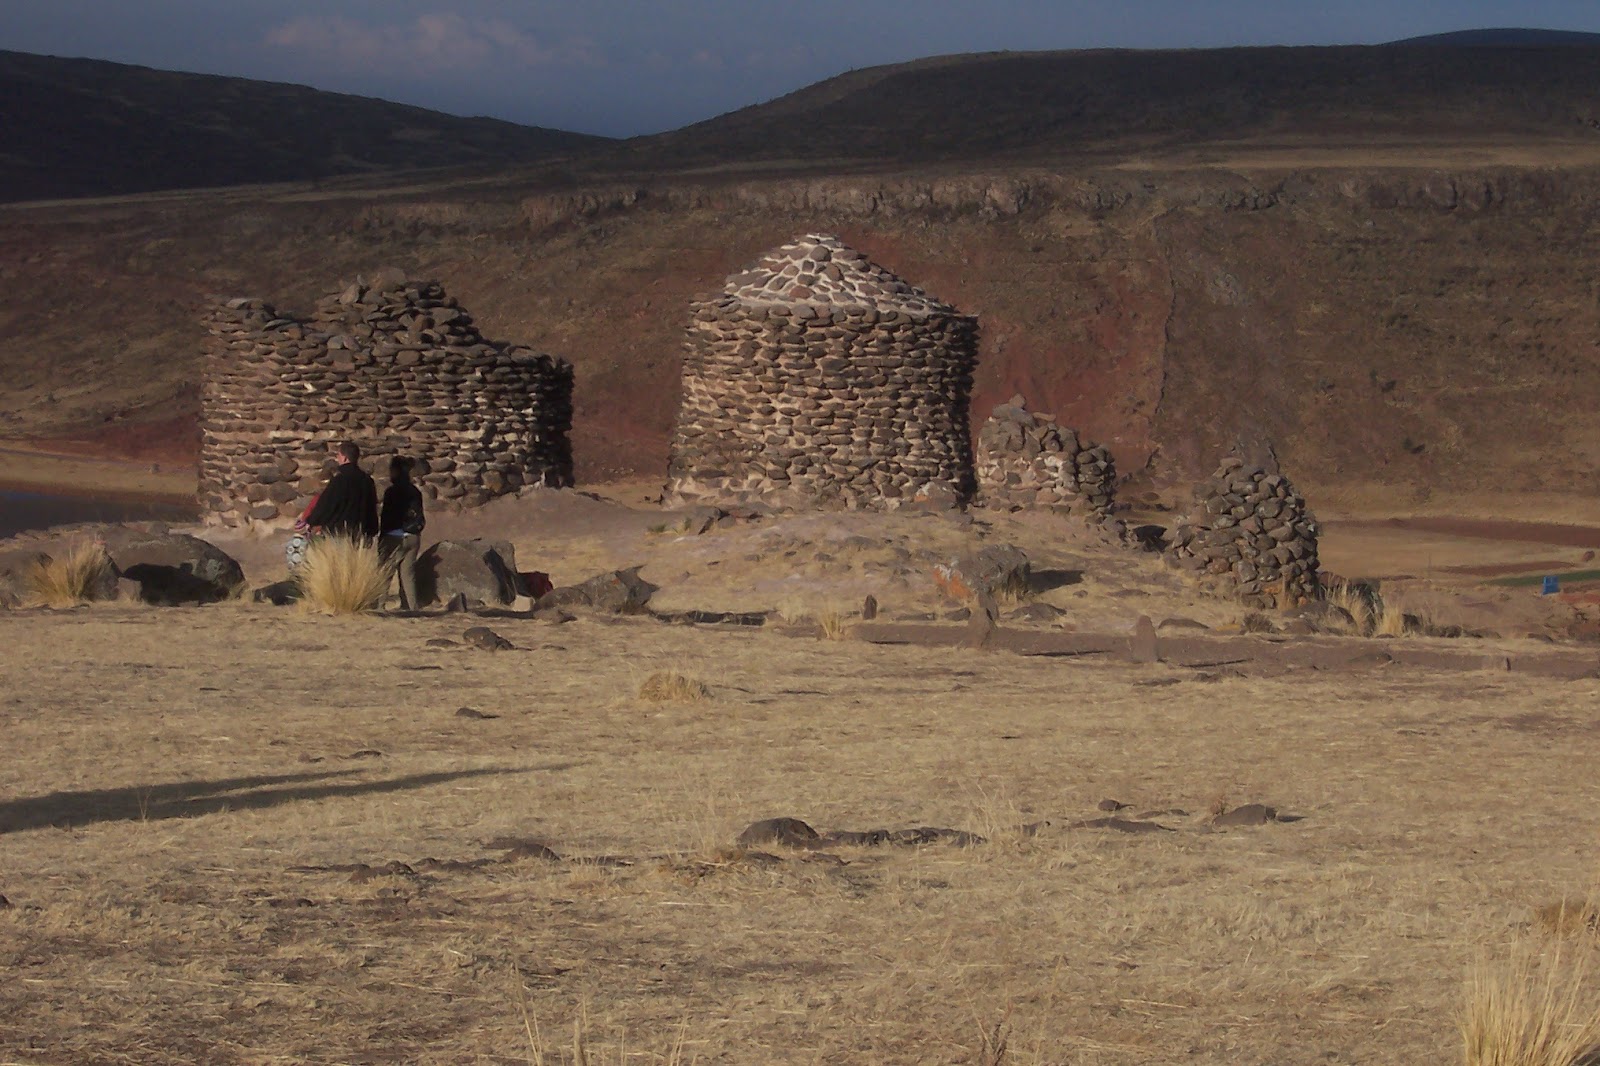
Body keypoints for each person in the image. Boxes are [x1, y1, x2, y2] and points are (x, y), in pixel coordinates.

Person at [301, 441, 379, 541]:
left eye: (338, 455)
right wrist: (372, 530)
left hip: (339, 534)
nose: (337, 458)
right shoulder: (367, 480)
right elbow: (371, 507)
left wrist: (311, 520)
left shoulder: (340, 480)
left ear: (344, 458)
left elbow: (327, 505)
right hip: (362, 535)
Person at [378, 455, 425, 610]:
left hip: (394, 536)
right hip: (413, 536)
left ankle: (379, 607)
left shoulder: (391, 492)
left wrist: (382, 538)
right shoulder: (415, 491)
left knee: (385, 574)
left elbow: (387, 517)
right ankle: (412, 608)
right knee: (408, 575)